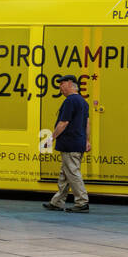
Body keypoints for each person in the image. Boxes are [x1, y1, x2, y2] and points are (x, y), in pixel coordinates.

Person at [44, 75, 92, 213]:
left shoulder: (70, 101)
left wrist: (51, 138)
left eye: (62, 83)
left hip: (70, 143)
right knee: (65, 174)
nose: (60, 86)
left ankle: (82, 202)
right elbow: (87, 123)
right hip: (78, 142)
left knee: (72, 172)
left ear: (70, 84)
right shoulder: (83, 102)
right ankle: (57, 202)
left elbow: (64, 122)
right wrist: (87, 140)